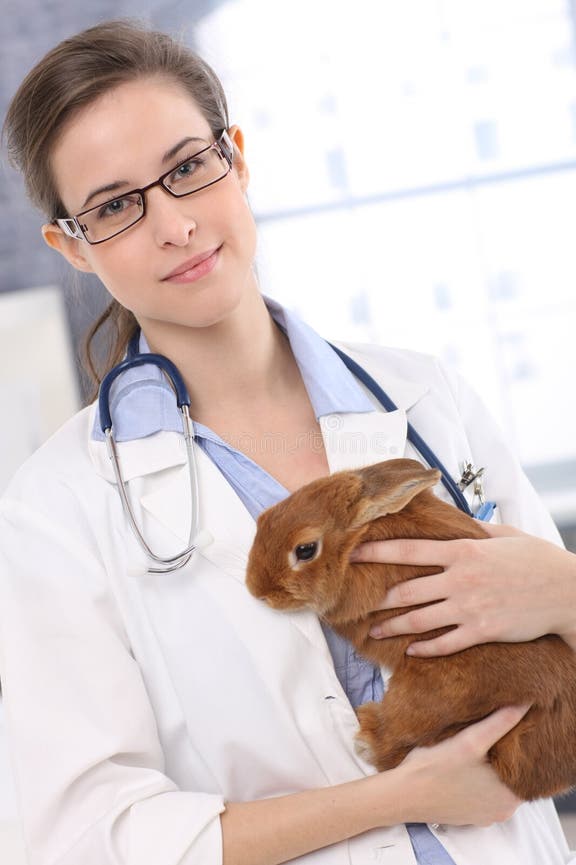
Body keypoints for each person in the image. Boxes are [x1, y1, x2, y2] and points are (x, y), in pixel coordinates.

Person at [0, 18, 573, 865]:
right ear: (70, 248)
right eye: (117, 205)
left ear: (236, 155)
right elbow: (83, 838)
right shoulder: (58, 510)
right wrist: (400, 795)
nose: (176, 224)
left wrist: (563, 585)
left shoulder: (424, 397)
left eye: (188, 167)